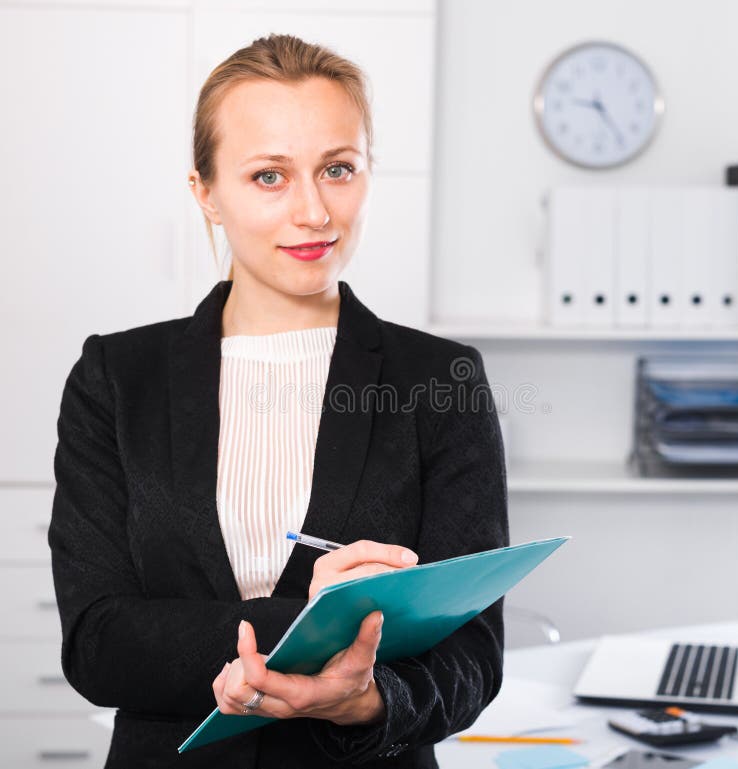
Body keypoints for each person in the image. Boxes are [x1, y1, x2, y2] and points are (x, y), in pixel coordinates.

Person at [48, 33, 509, 768]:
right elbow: (97, 643)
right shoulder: (116, 377)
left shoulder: (442, 378)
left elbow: (473, 658)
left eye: (337, 169)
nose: (314, 211)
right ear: (206, 192)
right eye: (269, 176)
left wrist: (367, 700)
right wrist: (309, 625)